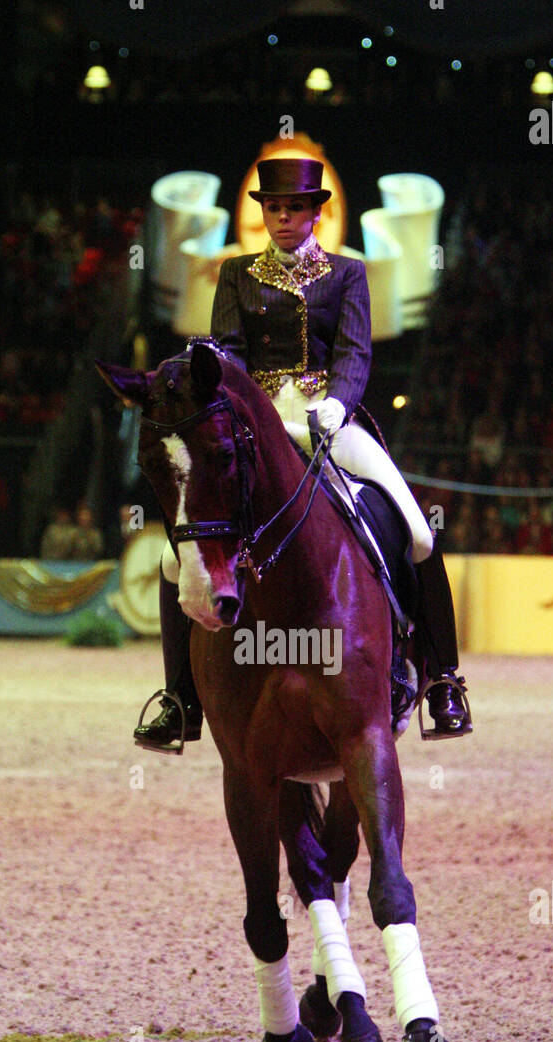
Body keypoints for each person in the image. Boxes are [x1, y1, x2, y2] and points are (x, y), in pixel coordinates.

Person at [136, 158, 472, 750]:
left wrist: (338, 403)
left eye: (294, 208)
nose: (283, 218)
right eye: (273, 208)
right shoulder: (237, 273)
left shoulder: (347, 273)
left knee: (417, 531)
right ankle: (179, 699)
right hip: (257, 423)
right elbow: (227, 356)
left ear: (317, 211)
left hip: (327, 418)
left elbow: (354, 353)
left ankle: (444, 679)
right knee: (171, 562)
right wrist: (251, 408)